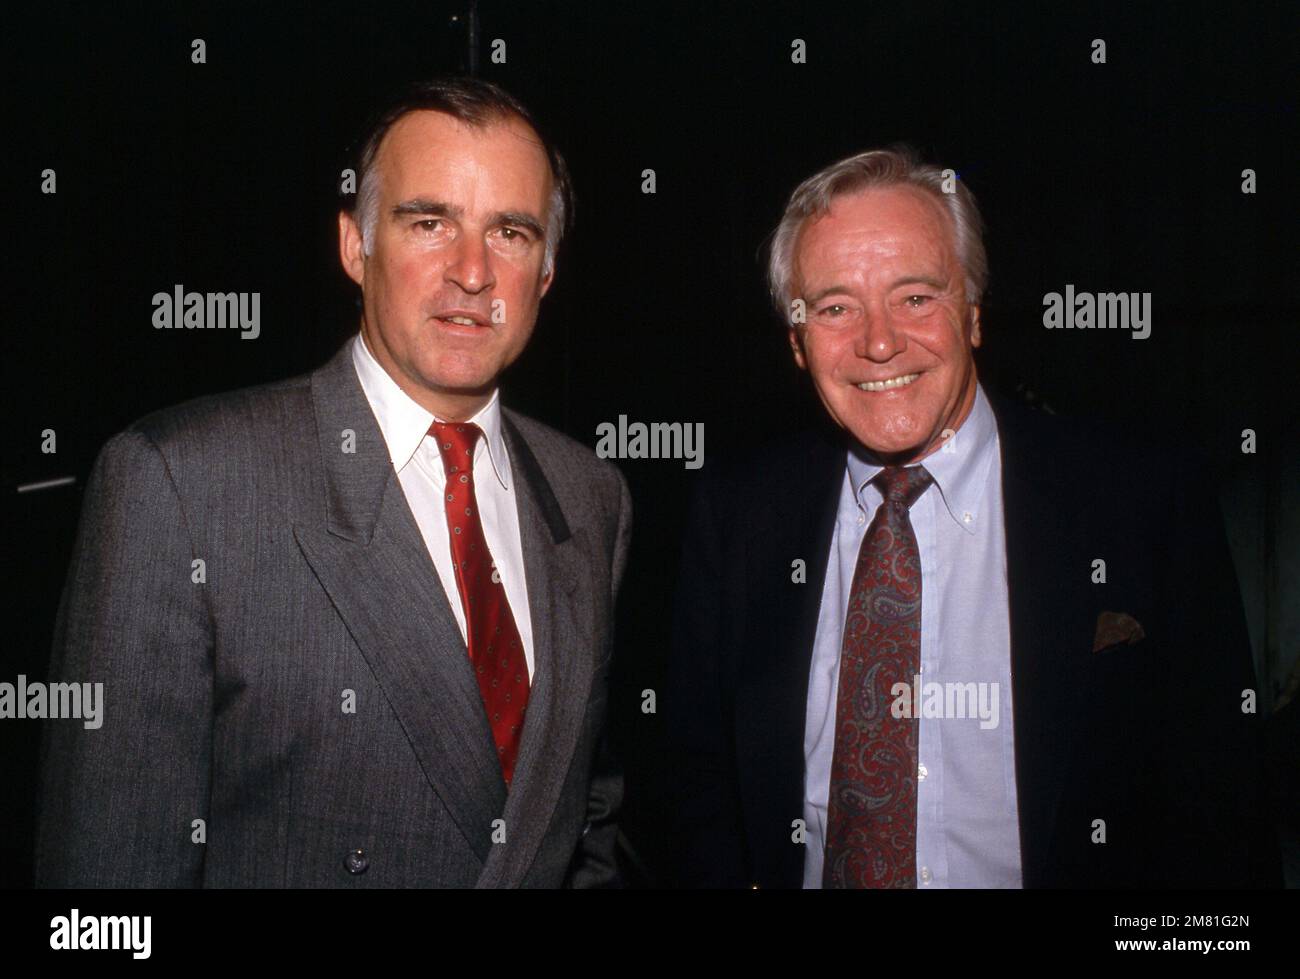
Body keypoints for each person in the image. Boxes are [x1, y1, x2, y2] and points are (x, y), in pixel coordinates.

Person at [35, 77, 630, 888]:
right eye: (430, 222)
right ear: (355, 246)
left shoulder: (591, 497)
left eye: (512, 234)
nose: (472, 271)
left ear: (548, 271)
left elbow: (583, 827)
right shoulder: (183, 484)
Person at [664, 146, 1279, 889]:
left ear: (975, 313)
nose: (879, 341)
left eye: (916, 296)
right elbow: (695, 784)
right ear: (797, 343)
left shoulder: (1141, 500)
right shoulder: (738, 516)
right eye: (834, 307)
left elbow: (1223, 812)